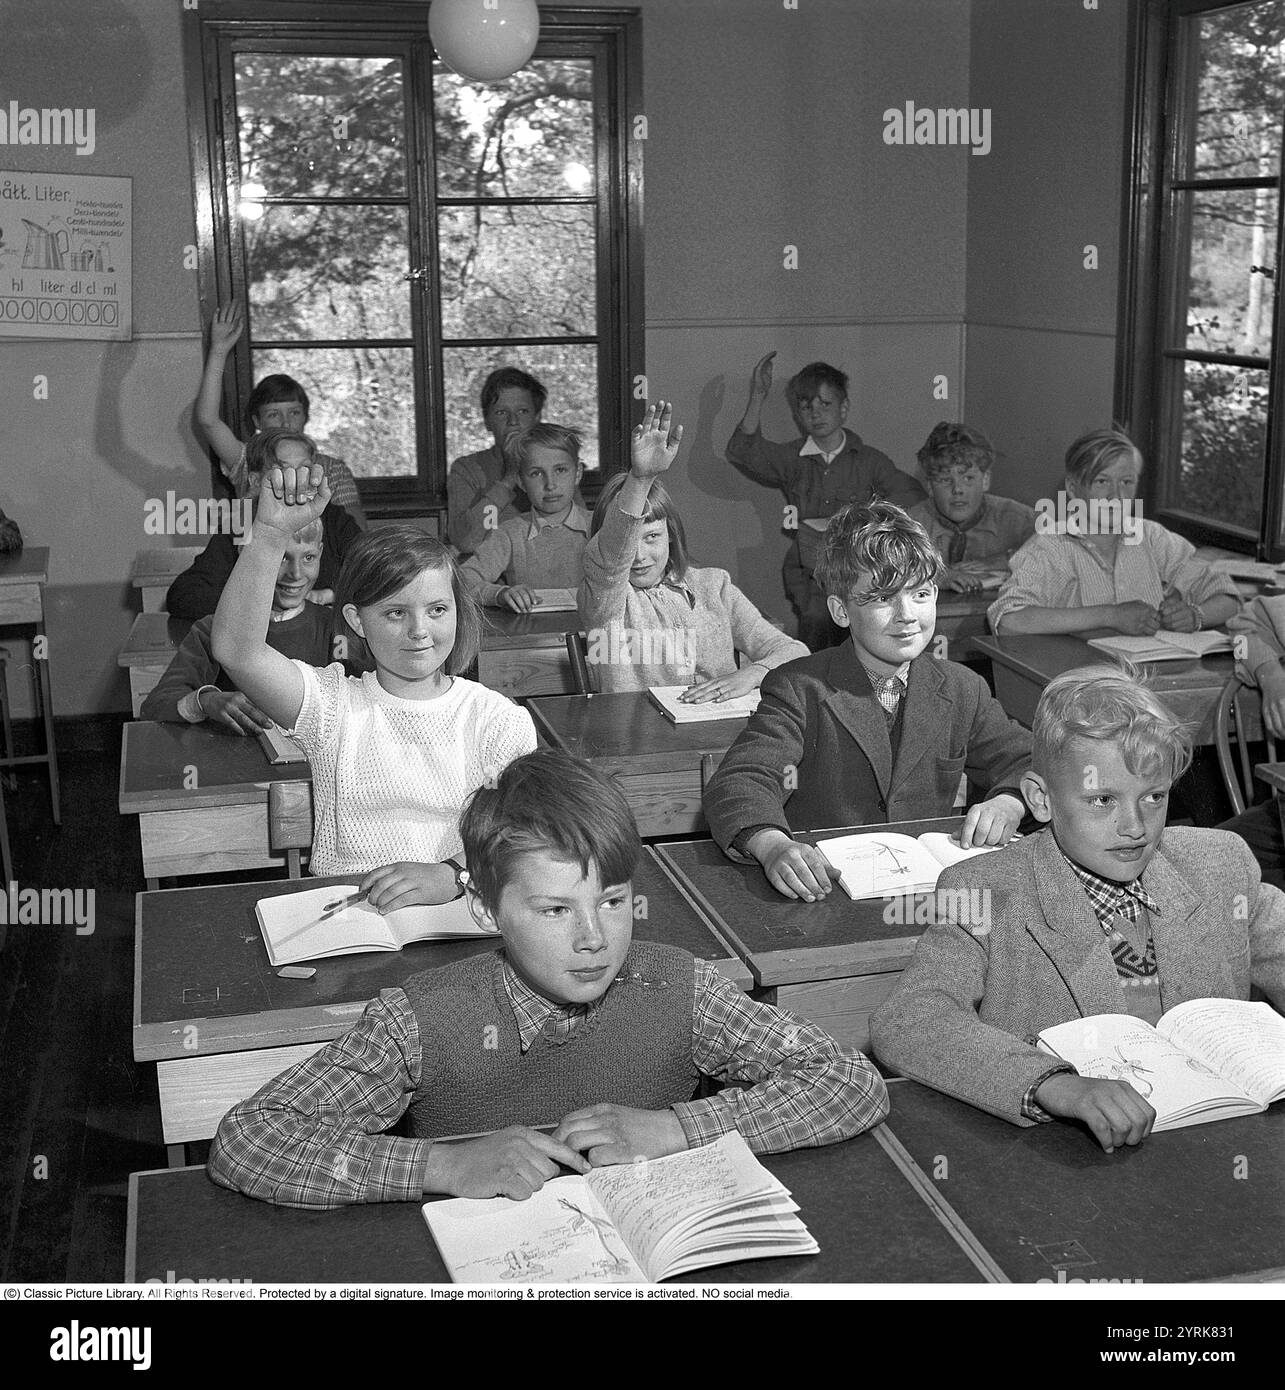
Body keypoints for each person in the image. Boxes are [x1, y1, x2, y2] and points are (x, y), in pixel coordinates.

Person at [207, 748, 890, 1207]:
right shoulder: (415, 1021)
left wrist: (678, 1128)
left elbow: (847, 1082)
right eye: (555, 909)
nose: (594, 938)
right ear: (485, 907)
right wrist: (442, 1167)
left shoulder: (682, 988)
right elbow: (250, 1139)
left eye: (613, 901)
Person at [871, 665, 1285, 1152]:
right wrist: (1053, 1084)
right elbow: (910, 1020)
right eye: (1102, 800)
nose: (1134, 826)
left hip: (1218, 1144)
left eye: (1154, 797)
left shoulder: (1217, 864)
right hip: (1071, 1159)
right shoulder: (984, 891)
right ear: (1041, 799)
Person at [210, 457, 535, 905]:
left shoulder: (498, 720)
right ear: (356, 622)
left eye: (437, 610)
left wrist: (457, 876)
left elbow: (524, 838)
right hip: (349, 918)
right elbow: (236, 651)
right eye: (395, 613)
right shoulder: (331, 705)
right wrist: (269, 534)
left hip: (463, 913)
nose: (420, 630)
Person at [704, 500, 1031, 901]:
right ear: (841, 611)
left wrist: (1010, 801)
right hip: (824, 890)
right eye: (882, 599)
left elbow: (1028, 760)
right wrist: (773, 845)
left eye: (921, 594)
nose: (906, 614)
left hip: (930, 897)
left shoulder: (964, 687)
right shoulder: (799, 688)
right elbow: (741, 781)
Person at [580, 401, 808, 695]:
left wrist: (753, 673)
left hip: (720, 732)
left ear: (671, 535)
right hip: (641, 738)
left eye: (651, 537)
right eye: (629, 543)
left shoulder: (715, 586)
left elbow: (794, 651)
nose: (639, 556)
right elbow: (612, 559)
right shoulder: (606, 598)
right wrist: (640, 479)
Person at [725, 352, 925, 649]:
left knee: (869, 638)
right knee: (818, 633)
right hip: (812, 577)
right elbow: (742, 450)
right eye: (806, 406)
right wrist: (758, 394)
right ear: (797, 414)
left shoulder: (868, 460)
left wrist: (866, 521)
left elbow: (912, 494)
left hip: (864, 573)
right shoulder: (794, 459)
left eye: (825, 404)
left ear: (844, 408)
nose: (815, 414)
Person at [989, 427, 1240, 635]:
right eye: (1102, 482)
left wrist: (1195, 616)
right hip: (1080, 680)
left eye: (1127, 483)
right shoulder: (1050, 546)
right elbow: (1008, 620)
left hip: (1150, 675)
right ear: (1073, 489)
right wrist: (1110, 615)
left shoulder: (1153, 538)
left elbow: (1228, 597)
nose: (1116, 496)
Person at [140, 517, 333, 731]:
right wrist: (207, 701)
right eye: (281, 558)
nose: (296, 573)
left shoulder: (335, 629)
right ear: (245, 555)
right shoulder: (212, 630)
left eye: (308, 557)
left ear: (320, 553)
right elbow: (156, 706)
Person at [195, 302, 366, 524]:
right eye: (274, 414)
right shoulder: (247, 460)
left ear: (306, 416)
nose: (285, 423)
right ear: (257, 420)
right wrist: (219, 350)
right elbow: (208, 420)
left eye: (294, 413)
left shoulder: (333, 470)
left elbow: (356, 530)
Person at [166, 430, 362, 619]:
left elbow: (376, 574)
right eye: (284, 471)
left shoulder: (334, 519)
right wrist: (264, 605)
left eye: (306, 469)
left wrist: (331, 595)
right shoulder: (241, 525)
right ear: (256, 481)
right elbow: (185, 596)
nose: (297, 480)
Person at [459, 423, 591, 610]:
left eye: (560, 470)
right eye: (536, 473)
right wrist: (500, 594)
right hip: (532, 637)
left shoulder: (601, 525)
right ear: (521, 481)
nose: (550, 485)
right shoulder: (509, 534)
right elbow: (463, 581)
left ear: (577, 473)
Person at [907, 421, 1036, 592]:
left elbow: (1063, 556)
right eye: (945, 480)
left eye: (968, 478)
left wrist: (1009, 558)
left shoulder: (1019, 519)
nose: (957, 490)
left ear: (985, 480)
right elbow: (883, 574)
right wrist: (934, 577)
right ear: (930, 486)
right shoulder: (910, 525)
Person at [446, 367, 548, 557]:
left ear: (537, 418)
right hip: (487, 582)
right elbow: (465, 542)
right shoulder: (466, 470)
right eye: (501, 412)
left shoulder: (556, 465)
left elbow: (576, 536)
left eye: (523, 411)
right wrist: (509, 479)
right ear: (487, 421)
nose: (513, 422)